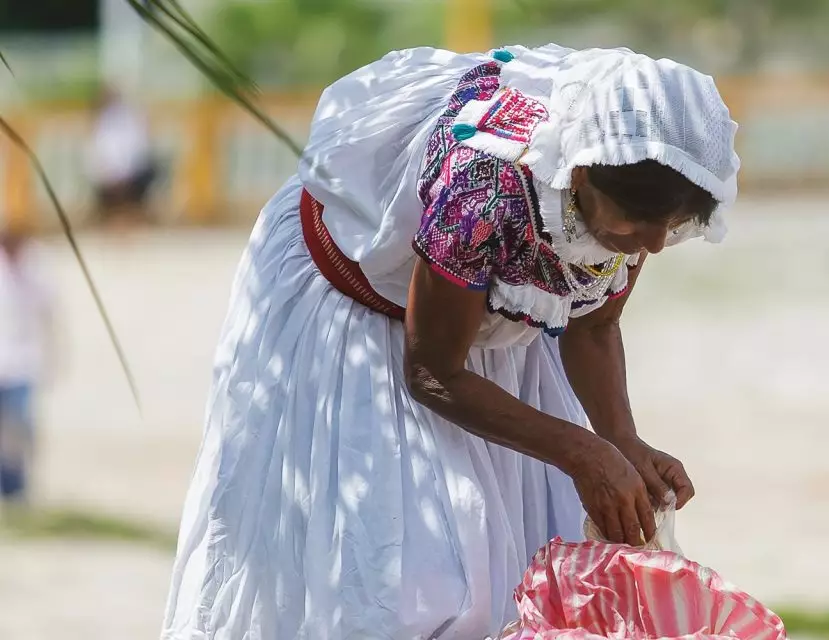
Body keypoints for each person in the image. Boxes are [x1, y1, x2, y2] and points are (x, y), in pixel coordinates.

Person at [163, 44, 739, 640]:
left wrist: (620, 438)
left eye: (668, 227)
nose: (647, 244)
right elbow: (432, 370)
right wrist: (581, 452)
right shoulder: (485, 182)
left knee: (517, 571)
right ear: (580, 173)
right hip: (372, 319)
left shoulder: (640, 186)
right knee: (410, 585)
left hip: (479, 328)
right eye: (633, 221)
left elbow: (593, 323)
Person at [0, 223, 54, 505]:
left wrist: (53, 355)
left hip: (23, 361)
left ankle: (17, 488)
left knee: (20, 425)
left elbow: (49, 313)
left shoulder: (37, 264)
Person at [86, 85, 159, 228]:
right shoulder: (101, 124)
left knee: (150, 169)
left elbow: (138, 149)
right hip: (109, 176)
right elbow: (97, 156)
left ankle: (130, 213)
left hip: (129, 174)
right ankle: (118, 215)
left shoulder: (127, 119)